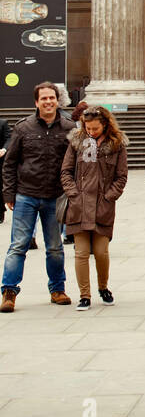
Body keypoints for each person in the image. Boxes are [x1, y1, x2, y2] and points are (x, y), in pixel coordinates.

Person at [1, 82, 74, 312]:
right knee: (18, 245)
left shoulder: (70, 127)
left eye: (51, 98)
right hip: (26, 194)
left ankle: (57, 289)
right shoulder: (24, 127)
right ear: (36, 102)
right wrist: (8, 193)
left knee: (55, 247)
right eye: (43, 98)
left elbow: (76, 165)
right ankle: (9, 292)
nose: (48, 102)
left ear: (57, 100)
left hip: (56, 196)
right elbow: (10, 163)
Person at [59, 105, 127, 309]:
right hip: (79, 205)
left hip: (102, 206)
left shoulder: (116, 144)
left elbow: (121, 176)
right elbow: (66, 171)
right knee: (80, 253)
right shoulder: (77, 142)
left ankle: (103, 287)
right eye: (88, 128)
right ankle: (84, 295)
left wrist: (109, 197)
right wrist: (73, 193)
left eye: (95, 128)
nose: (91, 132)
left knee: (100, 252)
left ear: (105, 124)